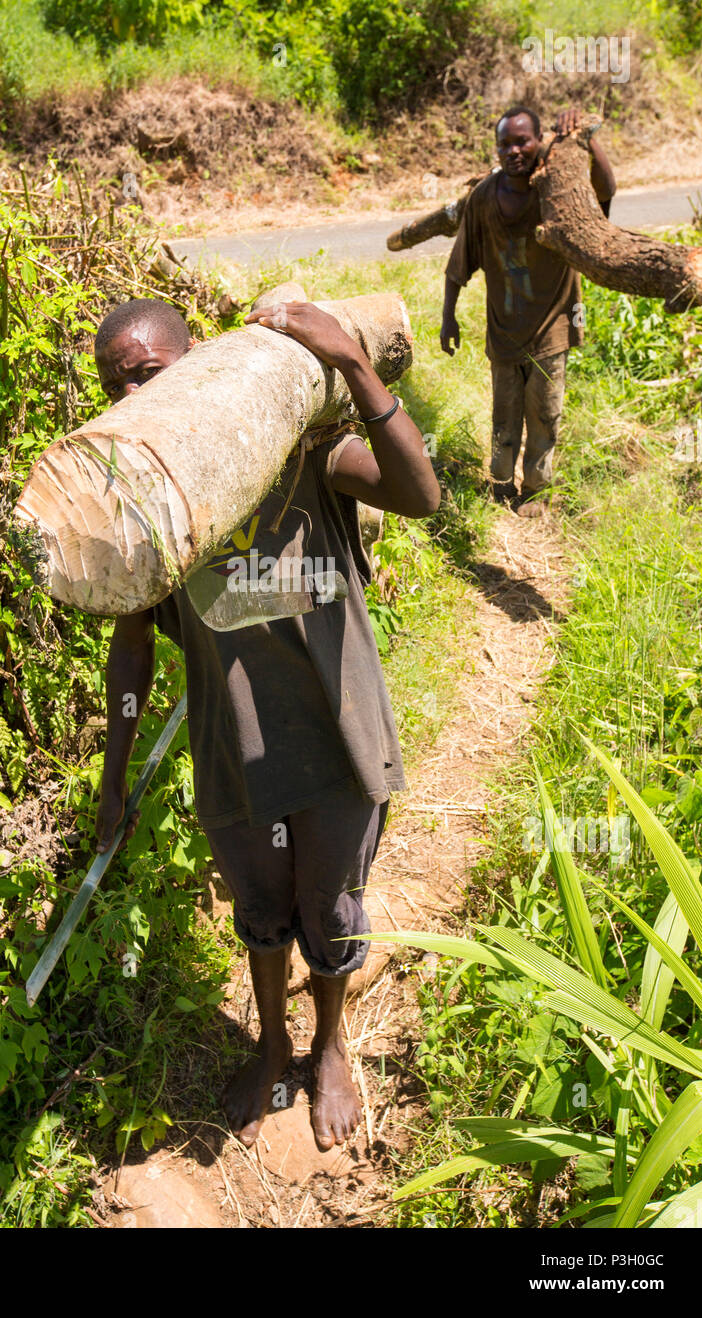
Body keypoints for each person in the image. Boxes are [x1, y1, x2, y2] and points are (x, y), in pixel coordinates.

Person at [91, 295, 440, 1151]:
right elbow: (131, 649)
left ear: (199, 364)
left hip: (337, 735)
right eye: (115, 383)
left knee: (331, 904)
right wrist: (114, 777)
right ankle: (273, 1041)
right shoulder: (144, 509)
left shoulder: (297, 450)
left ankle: (327, 1047)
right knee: (261, 910)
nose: (136, 395)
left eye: (150, 373)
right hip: (235, 750)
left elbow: (420, 494)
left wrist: (354, 367)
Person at [440, 106, 616, 516]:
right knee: (505, 417)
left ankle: (536, 490)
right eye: (505, 143)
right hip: (503, 334)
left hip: (552, 331)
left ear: (539, 142)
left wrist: (588, 138)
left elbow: (605, 191)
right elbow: (459, 262)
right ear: (496, 149)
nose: (514, 150)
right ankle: (501, 483)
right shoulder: (484, 197)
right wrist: (449, 316)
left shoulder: (557, 190)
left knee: (544, 416)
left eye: (523, 141)